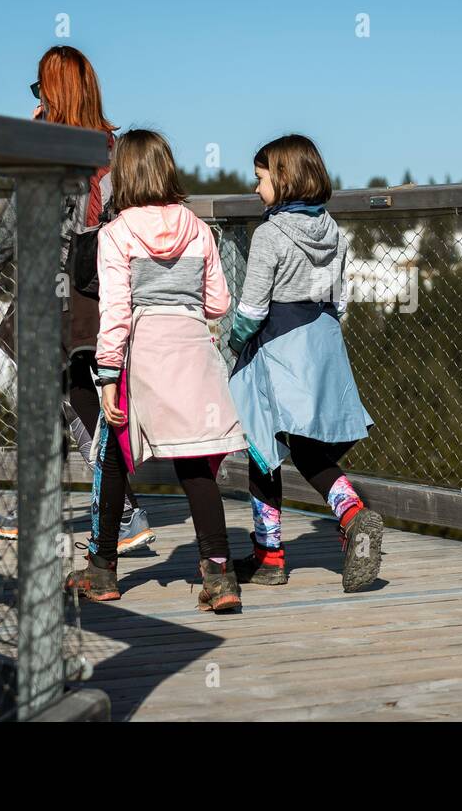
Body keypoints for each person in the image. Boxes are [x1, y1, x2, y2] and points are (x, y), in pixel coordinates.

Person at [0, 45, 154, 554]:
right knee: (72, 396)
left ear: (54, 91)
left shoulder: (48, 150)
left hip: (52, 289)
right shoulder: (112, 148)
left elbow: (18, 220)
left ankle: (122, 512)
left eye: (40, 87)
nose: (37, 96)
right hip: (99, 288)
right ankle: (51, 511)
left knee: (62, 399)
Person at [66, 129, 247, 609]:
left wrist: (106, 376)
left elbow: (117, 313)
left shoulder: (116, 233)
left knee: (114, 456)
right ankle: (220, 576)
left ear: (123, 175)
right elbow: (219, 302)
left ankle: (102, 569)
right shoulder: (197, 227)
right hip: (192, 349)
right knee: (197, 462)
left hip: (141, 356)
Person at [226, 134, 384, 592]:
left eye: (260, 179)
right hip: (323, 342)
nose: (255, 190)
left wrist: (234, 345)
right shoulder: (334, 230)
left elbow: (252, 308)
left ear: (283, 178)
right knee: (308, 446)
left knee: (262, 445)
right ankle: (352, 513)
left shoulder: (269, 235)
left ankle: (270, 555)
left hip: (277, 343)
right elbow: (341, 300)